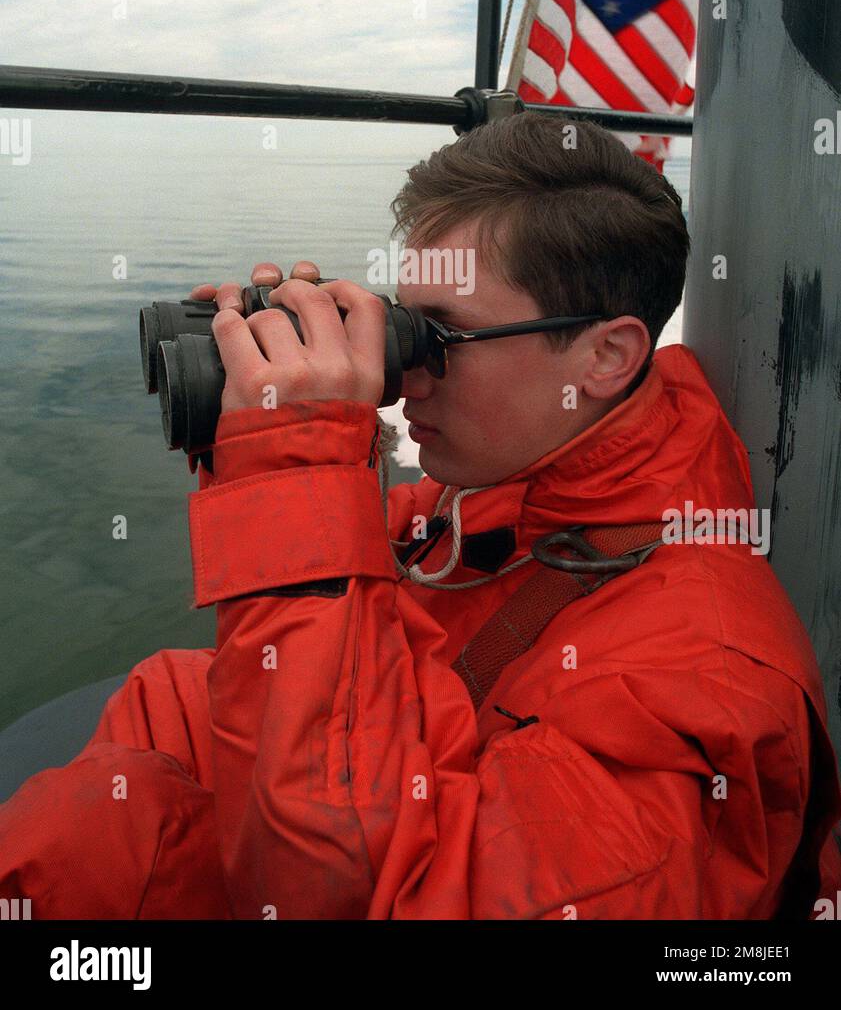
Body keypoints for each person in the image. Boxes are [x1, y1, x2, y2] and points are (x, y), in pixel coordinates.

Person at [1, 113, 839, 919]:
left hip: (349, 864)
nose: (405, 378)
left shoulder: (700, 678)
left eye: (439, 338)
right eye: (401, 324)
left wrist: (300, 471)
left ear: (605, 356)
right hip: (352, 805)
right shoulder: (490, 495)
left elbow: (354, 899)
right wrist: (267, 433)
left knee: (108, 832)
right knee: (140, 748)